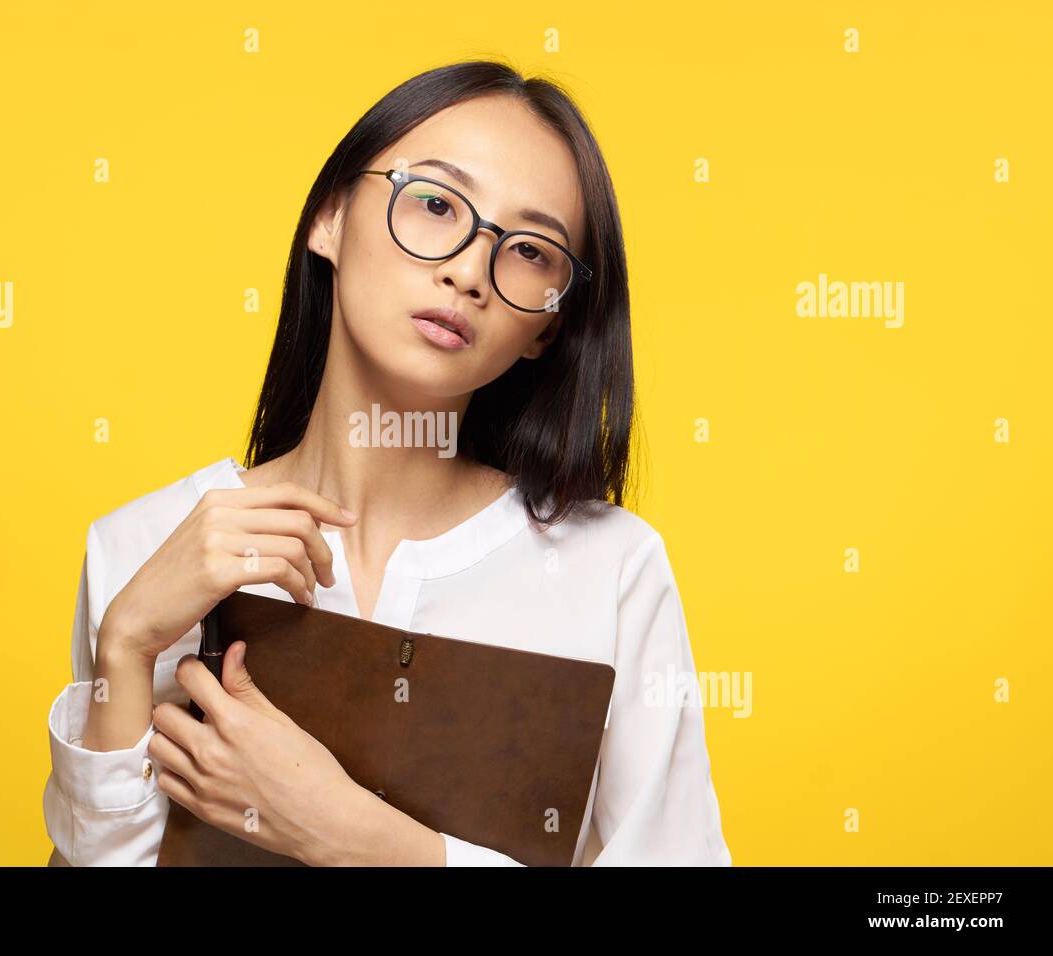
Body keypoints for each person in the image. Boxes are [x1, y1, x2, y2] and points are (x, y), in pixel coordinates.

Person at [43, 59, 732, 866]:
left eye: (531, 252)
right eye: (436, 204)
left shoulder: (611, 571)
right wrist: (124, 646)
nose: (470, 271)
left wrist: (361, 840)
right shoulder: (146, 546)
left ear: (548, 326)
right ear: (329, 218)